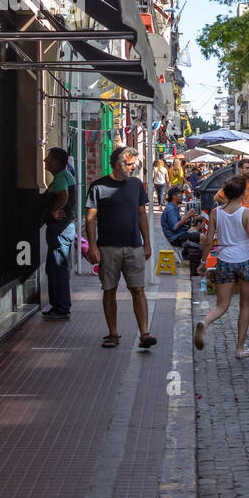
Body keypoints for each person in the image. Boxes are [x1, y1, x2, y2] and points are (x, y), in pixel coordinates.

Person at [84, 145, 155, 349]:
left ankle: (145, 333)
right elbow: (90, 219)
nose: (133, 167)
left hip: (134, 246)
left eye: (134, 164)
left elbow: (142, 215)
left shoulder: (136, 185)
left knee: (138, 289)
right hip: (107, 247)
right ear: (117, 164)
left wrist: (147, 244)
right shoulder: (98, 187)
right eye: (130, 164)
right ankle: (113, 333)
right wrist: (92, 246)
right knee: (109, 289)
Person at [194, 175, 249, 359]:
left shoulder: (216, 213)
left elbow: (209, 241)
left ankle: (205, 322)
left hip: (224, 260)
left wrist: (203, 262)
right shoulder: (247, 213)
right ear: (242, 194)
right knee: (245, 305)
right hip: (245, 259)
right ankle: (240, 347)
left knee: (222, 305)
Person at [41, 147, 78, 321]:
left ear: (56, 162)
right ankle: (57, 306)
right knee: (53, 267)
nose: (45, 161)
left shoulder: (62, 177)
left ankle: (61, 308)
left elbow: (62, 195)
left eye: (48, 159)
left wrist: (55, 210)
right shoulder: (64, 176)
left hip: (60, 229)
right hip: (63, 228)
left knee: (58, 267)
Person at [214, 158, 249, 259]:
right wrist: (231, 203)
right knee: (241, 249)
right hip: (238, 222)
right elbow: (217, 197)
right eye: (247, 168)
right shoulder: (235, 182)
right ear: (240, 169)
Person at [162, 185, 205, 270]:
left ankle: (197, 260)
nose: (182, 197)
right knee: (202, 237)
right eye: (180, 195)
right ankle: (203, 263)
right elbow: (175, 227)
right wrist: (186, 216)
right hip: (176, 237)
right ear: (174, 197)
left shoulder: (173, 208)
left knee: (195, 231)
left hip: (179, 234)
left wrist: (187, 218)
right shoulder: (171, 209)